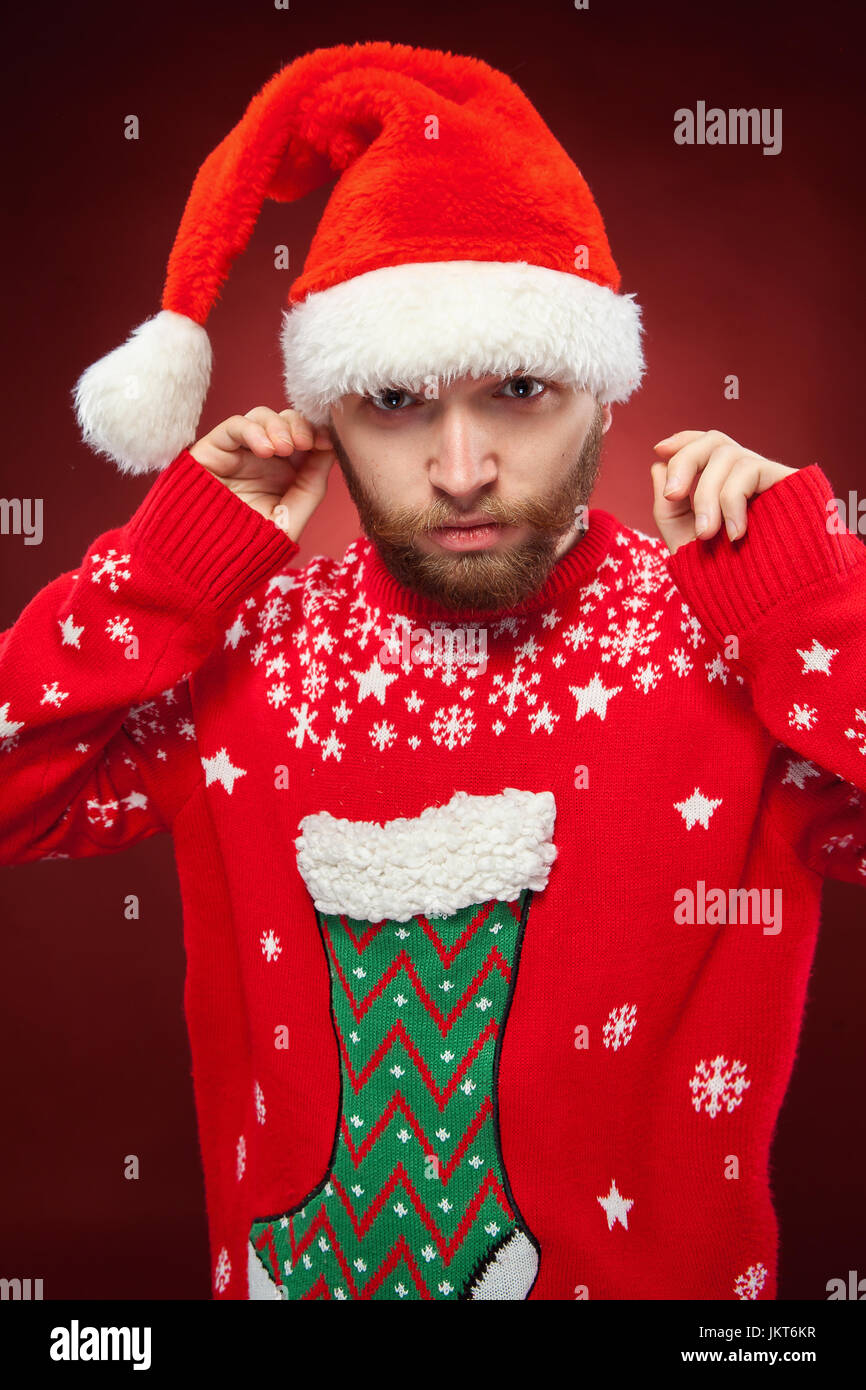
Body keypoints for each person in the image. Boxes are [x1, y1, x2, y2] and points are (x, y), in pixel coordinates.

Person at [1, 40, 864, 1302]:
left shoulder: (730, 646)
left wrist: (810, 605)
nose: (461, 469)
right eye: (396, 399)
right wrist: (165, 575)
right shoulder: (242, 645)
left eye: (517, 389)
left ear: (605, 393)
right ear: (327, 409)